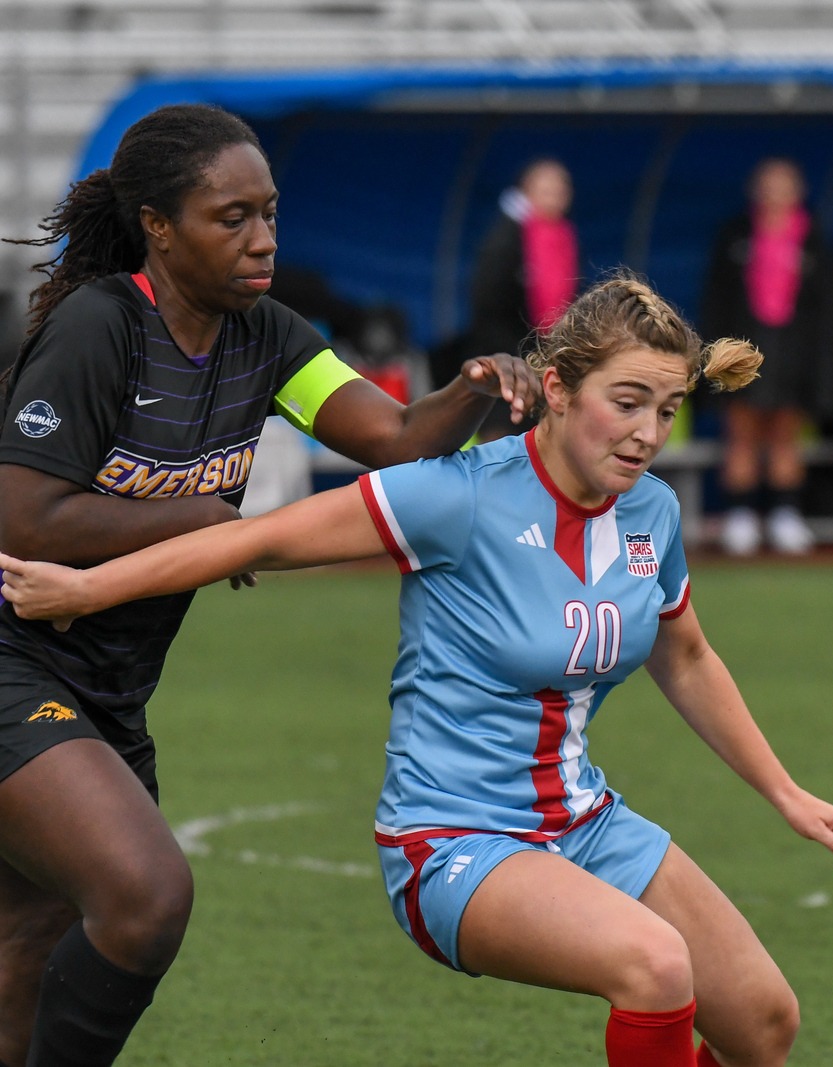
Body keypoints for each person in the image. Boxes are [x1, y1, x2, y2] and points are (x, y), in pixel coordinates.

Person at [0, 276, 833, 1067]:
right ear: (557, 389)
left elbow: (688, 654)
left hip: (585, 821)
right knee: (657, 966)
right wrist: (85, 584)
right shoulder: (460, 494)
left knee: (763, 1019)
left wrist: (786, 792)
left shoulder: (652, 513)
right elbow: (254, 538)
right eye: (626, 402)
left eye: (666, 410)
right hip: (454, 841)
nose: (646, 434)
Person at [0, 102, 540, 1066]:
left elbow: (395, 441)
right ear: (158, 227)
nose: (264, 241)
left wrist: (473, 387)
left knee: (30, 952)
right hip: (14, 665)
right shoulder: (100, 327)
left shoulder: (269, 337)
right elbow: (21, 518)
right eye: (233, 218)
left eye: (272, 214)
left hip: (111, 693)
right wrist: (202, 522)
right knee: (145, 895)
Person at [700, 157, 833, 557]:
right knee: (741, 435)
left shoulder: (813, 240)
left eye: (784, 185)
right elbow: (716, 301)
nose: (776, 194)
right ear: (756, 191)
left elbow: (825, 309)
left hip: (791, 356)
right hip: (742, 353)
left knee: (784, 436)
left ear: (799, 192)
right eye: (768, 185)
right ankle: (741, 518)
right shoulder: (735, 236)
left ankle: (784, 516)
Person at [442, 157, 581, 445]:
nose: (555, 198)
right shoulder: (506, 237)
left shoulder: (561, 236)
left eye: (561, 191)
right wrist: (514, 355)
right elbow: (488, 301)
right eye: (547, 190)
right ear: (527, 191)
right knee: (501, 439)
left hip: (540, 357)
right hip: (505, 358)